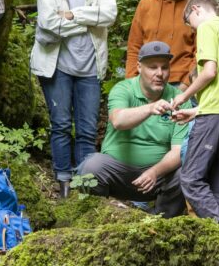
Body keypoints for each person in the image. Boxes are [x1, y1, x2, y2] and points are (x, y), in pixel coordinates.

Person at [30, 0, 117, 196]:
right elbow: (48, 25)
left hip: (90, 64)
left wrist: (73, 15)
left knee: (88, 129)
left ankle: (85, 182)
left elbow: (110, 14)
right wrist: (89, 18)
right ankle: (64, 179)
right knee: (61, 125)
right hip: (58, 66)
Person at [77, 41, 189, 217]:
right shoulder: (123, 89)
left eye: (164, 68)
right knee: (89, 168)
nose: (159, 73)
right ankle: (93, 218)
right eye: (152, 67)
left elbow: (178, 151)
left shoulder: (179, 99)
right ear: (139, 67)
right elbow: (118, 121)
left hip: (157, 175)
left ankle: (163, 224)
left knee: (187, 171)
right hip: (118, 172)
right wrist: (150, 108)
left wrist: (154, 171)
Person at [173, 0, 219, 226]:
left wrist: (183, 96)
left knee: (190, 178)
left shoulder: (207, 28)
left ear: (197, 10)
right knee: (216, 182)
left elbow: (210, 72)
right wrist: (197, 110)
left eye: (189, 21)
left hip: (214, 114)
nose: (191, 28)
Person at [125, 0, 196, 90]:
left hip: (181, 84)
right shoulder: (146, 5)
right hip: (146, 83)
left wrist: (186, 84)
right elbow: (134, 48)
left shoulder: (194, 6)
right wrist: (132, 82)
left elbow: (200, 51)